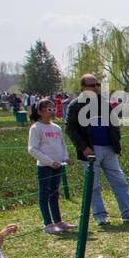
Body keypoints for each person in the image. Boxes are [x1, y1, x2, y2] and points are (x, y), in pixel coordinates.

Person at [65, 73, 129, 227]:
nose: (96, 87)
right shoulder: (75, 105)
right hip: (91, 151)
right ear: (83, 87)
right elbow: (70, 129)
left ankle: (128, 213)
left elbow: (114, 123)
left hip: (109, 149)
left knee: (120, 181)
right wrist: (83, 147)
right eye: (92, 85)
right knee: (94, 185)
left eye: (97, 84)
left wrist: (116, 141)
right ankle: (100, 216)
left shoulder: (103, 102)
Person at [26, 98, 72, 234]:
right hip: (45, 167)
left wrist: (65, 158)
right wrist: (50, 162)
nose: (52, 112)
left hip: (58, 166)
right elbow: (32, 149)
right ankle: (48, 223)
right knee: (44, 194)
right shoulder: (36, 128)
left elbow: (62, 144)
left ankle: (58, 221)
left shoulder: (56, 128)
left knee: (54, 193)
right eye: (49, 109)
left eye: (54, 109)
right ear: (40, 111)